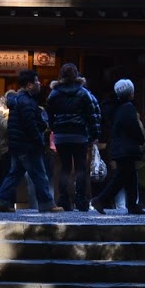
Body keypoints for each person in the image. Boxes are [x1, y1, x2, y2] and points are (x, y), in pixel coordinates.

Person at [0, 70, 61, 213]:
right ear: (29, 85)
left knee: (15, 173)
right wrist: (39, 140)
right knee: (39, 174)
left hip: (18, 144)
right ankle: (47, 203)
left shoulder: (18, 100)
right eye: (37, 81)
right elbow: (30, 124)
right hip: (28, 144)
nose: (39, 84)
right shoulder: (26, 101)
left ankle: (1, 200)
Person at [46, 63, 102, 210]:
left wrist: (54, 128)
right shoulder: (83, 93)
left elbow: (49, 115)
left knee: (64, 167)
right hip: (79, 134)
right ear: (76, 75)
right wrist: (95, 133)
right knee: (80, 168)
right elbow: (92, 116)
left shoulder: (54, 93)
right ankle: (81, 200)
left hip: (61, 135)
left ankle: (64, 200)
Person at [88, 79, 145, 214]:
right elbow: (133, 126)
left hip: (119, 146)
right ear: (131, 93)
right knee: (122, 177)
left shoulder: (115, 107)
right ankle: (101, 200)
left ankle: (132, 204)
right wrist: (141, 139)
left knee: (129, 175)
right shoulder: (128, 107)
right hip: (127, 147)